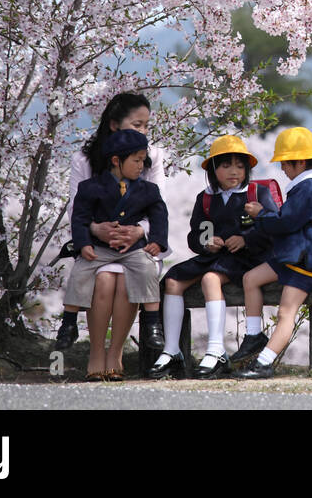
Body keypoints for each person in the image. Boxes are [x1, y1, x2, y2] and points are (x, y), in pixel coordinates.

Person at [148, 135, 277, 380]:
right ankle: (172, 350)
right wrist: (206, 244)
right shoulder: (206, 198)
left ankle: (216, 350)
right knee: (173, 280)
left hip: (248, 258)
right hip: (216, 258)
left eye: (240, 166)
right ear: (213, 169)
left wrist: (246, 239)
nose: (234, 172)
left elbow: (273, 229)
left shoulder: (255, 193)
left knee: (209, 279)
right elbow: (195, 235)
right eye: (226, 165)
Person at [54, 92, 169, 353]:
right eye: (137, 125)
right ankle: (92, 348)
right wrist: (95, 231)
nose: (144, 131)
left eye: (146, 125)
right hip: (97, 245)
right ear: (114, 125)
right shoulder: (85, 162)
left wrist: (140, 232)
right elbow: (78, 209)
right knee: (104, 278)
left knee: (135, 272)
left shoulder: (150, 157)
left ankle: (120, 351)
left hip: (139, 244)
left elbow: (160, 208)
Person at [229, 127, 312, 378]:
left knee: (287, 311)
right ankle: (254, 336)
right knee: (250, 279)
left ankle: (264, 362)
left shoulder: (309, 188)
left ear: (299, 162)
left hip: (305, 261)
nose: (283, 170)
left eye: (285, 164)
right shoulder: (304, 187)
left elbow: (286, 223)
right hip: (291, 255)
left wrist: (260, 214)